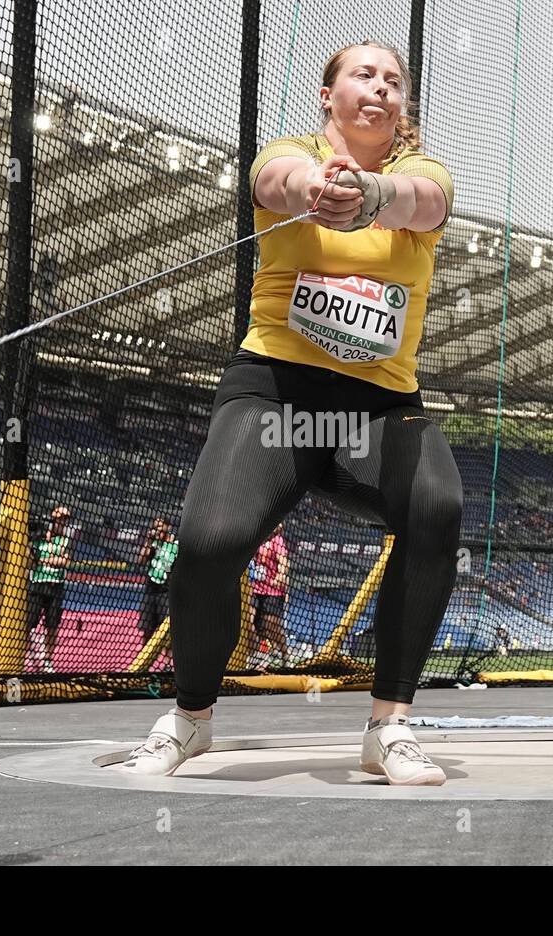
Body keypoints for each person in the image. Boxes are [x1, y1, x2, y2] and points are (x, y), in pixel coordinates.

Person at [123, 40, 460, 785]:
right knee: (208, 543)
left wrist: (369, 197)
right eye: (363, 75)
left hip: (376, 412)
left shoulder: (420, 171)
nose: (381, 88)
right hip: (276, 393)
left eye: (394, 82)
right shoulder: (291, 152)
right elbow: (272, 180)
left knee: (437, 503)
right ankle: (191, 717)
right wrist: (317, 186)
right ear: (328, 92)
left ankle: (388, 726)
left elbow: (426, 202)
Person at [24, 506, 72, 672]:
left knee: (52, 625)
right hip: (37, 585)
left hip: (55, 586)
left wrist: (42, 561)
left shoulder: (65, 540)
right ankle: (29, 656)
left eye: (64, 521)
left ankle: (47, 660)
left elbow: (64, 562)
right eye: (59, 520)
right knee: (28, 624)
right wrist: (30, 545)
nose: (62, 524)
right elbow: (29, 563)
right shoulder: (37, 539)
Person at [249, 523, 290, 668]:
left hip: (272, 590)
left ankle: (285, 655)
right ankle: (256, 654)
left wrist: (280, 575)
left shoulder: (276, 540)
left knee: (271, 625)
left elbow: (284, 561)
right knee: (248, 620)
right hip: (254, 589)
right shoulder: (257, 538)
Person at [137, 518, 178, 645]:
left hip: (165, 591)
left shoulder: (174, 545)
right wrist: (149, 542)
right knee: (147, 629)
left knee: (166, 632)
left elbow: (168, 568)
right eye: (156, 526)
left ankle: (167, 663)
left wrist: (163, 551)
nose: (158, 529)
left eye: (161, 526)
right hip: (151, 589)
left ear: (168, 527)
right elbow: (141, 560)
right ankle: (143, 659)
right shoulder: (154, 543)